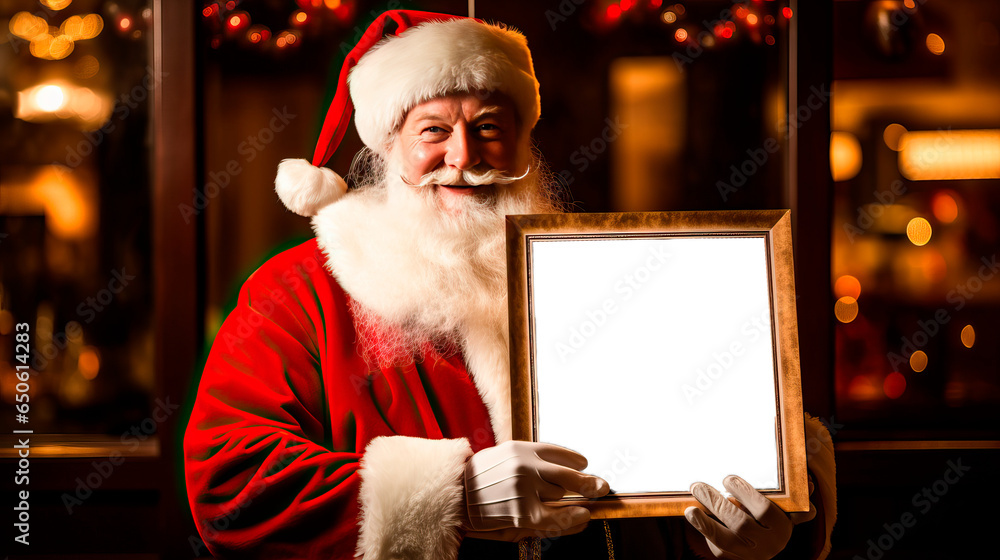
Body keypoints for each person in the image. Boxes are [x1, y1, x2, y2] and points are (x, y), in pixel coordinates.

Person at [183, 10, 836, 560]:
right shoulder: (298, 292)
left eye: (489, 127)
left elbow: (686, 456)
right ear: (387, 149)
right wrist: (449, 495)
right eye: (433, 130)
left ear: (525, 143)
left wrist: (761, 521)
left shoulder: (607, 285)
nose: (464, 158)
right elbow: (229, 480)